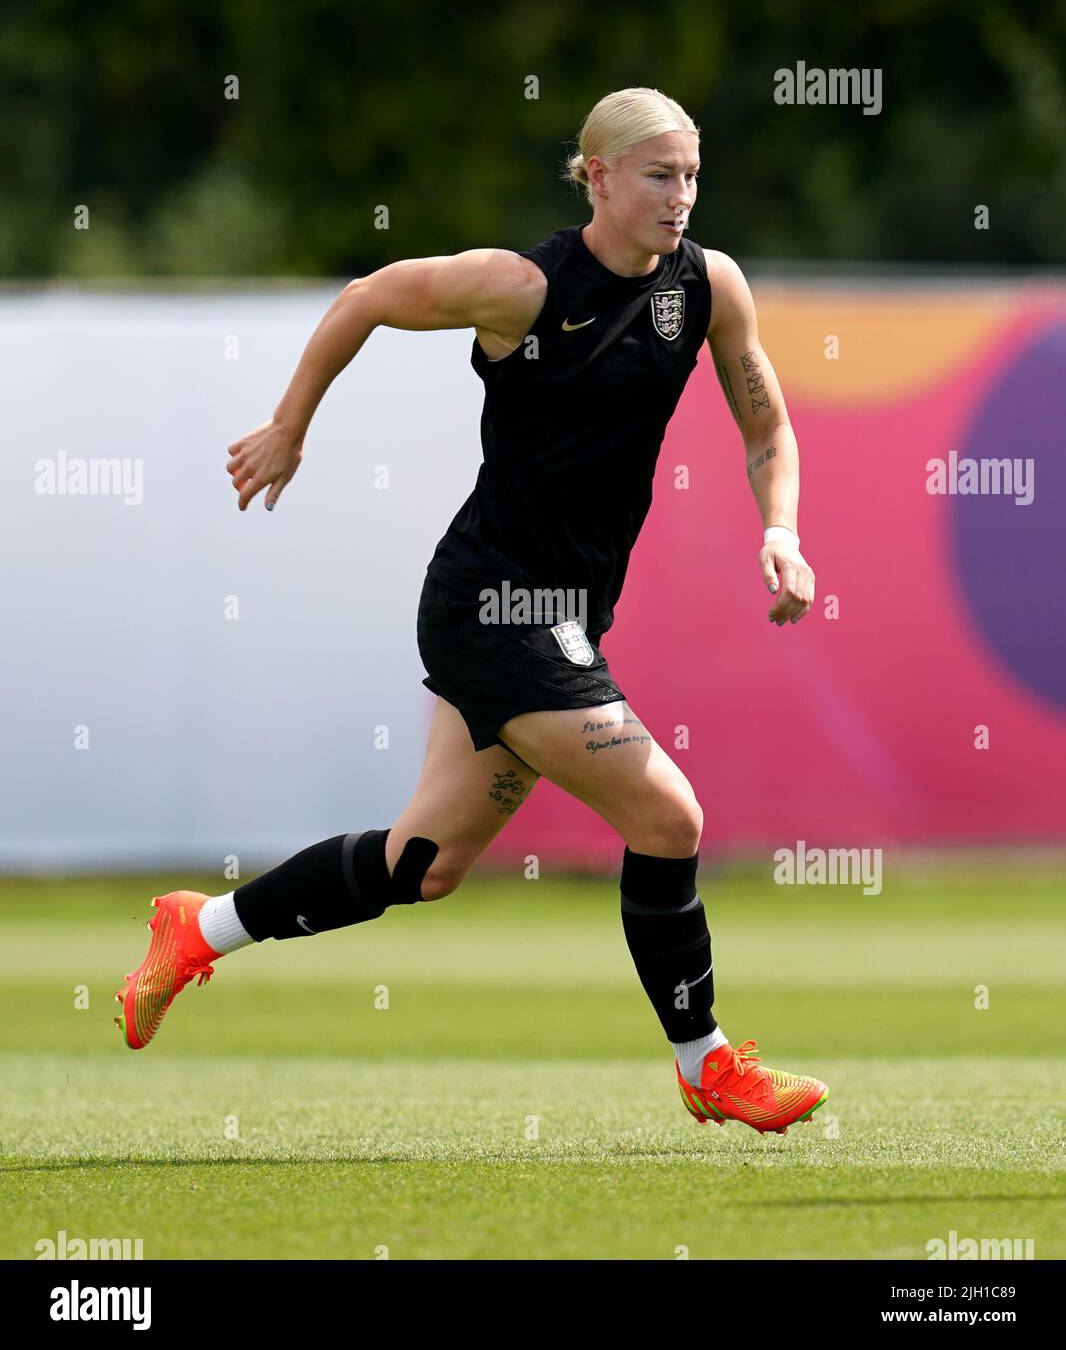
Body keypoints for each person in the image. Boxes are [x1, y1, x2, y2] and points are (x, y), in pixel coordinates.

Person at [115, 87, 828, 1137]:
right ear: (595, 176)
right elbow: (365, 294)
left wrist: (782, 529)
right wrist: (288, 426)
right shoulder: (520, 285)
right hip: (492, 605)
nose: (681, 196)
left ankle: (200, 926)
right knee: (668, 816)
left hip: (570, 613)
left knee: (423, 864)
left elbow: (764, 419)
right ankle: (705, 1060)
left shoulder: (709, 284)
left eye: (691, 174)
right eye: (657, 175)